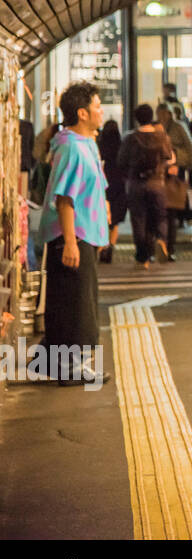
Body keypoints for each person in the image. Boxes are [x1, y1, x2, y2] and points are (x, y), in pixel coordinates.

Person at [35, 83, 110, 384]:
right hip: (72, 236)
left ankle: (47, 362)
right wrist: (69, 242)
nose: (101, 110)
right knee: (76, 306)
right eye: (97, 105)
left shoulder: (86, 142)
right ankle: (69, 367)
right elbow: (64, 198)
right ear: (82, 113)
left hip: (84, 235)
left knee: (74, 300)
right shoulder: (70, 147)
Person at [118, 104, 175, 267]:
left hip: (136, 183)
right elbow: (169, 157)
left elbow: (121, 161)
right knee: (160, 216)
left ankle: (142, 257)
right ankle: (161, 239)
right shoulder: (162, 137)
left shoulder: (130, 138)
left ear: (137, 118)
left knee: (138, 219)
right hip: (157, 182)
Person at [156, 103, 192, 257]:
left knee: (171, 211)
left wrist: (178, 161)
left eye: (163, 113)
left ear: (169, 114)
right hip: (159, 174)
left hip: (174, 173)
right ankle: (161, 243)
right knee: (160, 212)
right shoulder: (157, 128)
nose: (160, 116)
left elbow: (191, 151)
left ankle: (170, 247)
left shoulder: (178, 127)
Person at [96, 120, 128, 264]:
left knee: (105, 217)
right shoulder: (122, 145)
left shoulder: (100, 145)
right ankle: (111, 248)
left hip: (105, 183)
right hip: (120, 184)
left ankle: (102, 248)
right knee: (115, 221)